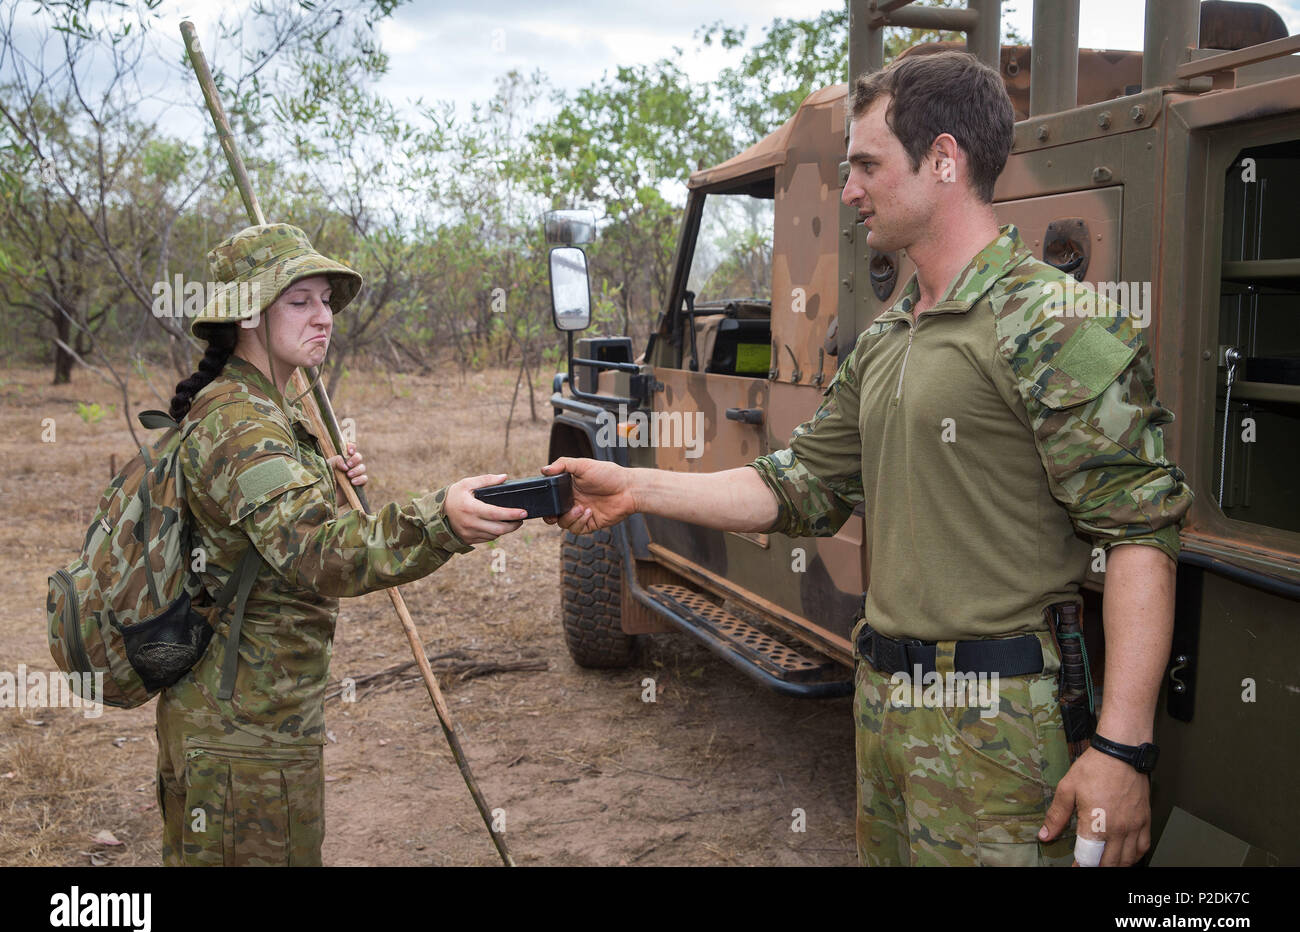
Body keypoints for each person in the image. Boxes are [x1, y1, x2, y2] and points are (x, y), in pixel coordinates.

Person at [542, 51, 1193, 867]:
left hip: (996, 730)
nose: (848, 191)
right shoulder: (890, 335)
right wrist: (632, 485)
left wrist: (1123, 750)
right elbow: (795, 485)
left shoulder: (1052, 321)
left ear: (944, 161)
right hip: (884, 708)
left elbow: (1139, 533)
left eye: (866, 165)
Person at [156, 222, 527, 866]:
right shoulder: (242, 424)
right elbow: (318, 556)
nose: (324, 318)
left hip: (255, 718)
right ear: (247, 317)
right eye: (299, 302)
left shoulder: (265, 408)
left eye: (325, 300)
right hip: (242, 735)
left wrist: (320, 477)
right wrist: (440, 520)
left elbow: (252, 535)